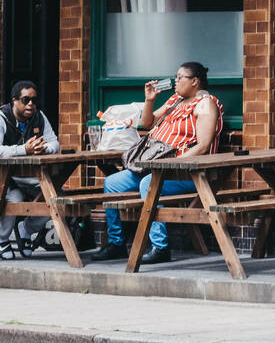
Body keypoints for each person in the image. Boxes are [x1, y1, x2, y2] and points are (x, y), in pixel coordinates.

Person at [91, 62, 223, 264]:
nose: (175, 81)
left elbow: (203, 146)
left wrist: (171, 166)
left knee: (148, 184)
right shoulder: (175, 101)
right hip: (154, 167)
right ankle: (117, 243)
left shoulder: (206, 103)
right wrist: (149, 100)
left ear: (195, 81)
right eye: (176, 77)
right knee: (112, 183)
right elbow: (147, 123)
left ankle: (160, 247)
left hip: (187, 174)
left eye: (180, 78)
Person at [0, 80, 60, 255]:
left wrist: (45, 148)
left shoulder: (39, 116)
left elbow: (55, 142)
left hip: (28, 174)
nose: (31, 104)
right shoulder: (0, 117)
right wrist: (25, 149)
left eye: (33, 100)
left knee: (56, 196)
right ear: (14, 100)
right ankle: (1, 239)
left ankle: (26, 229)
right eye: (25, 100)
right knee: (14, 196)